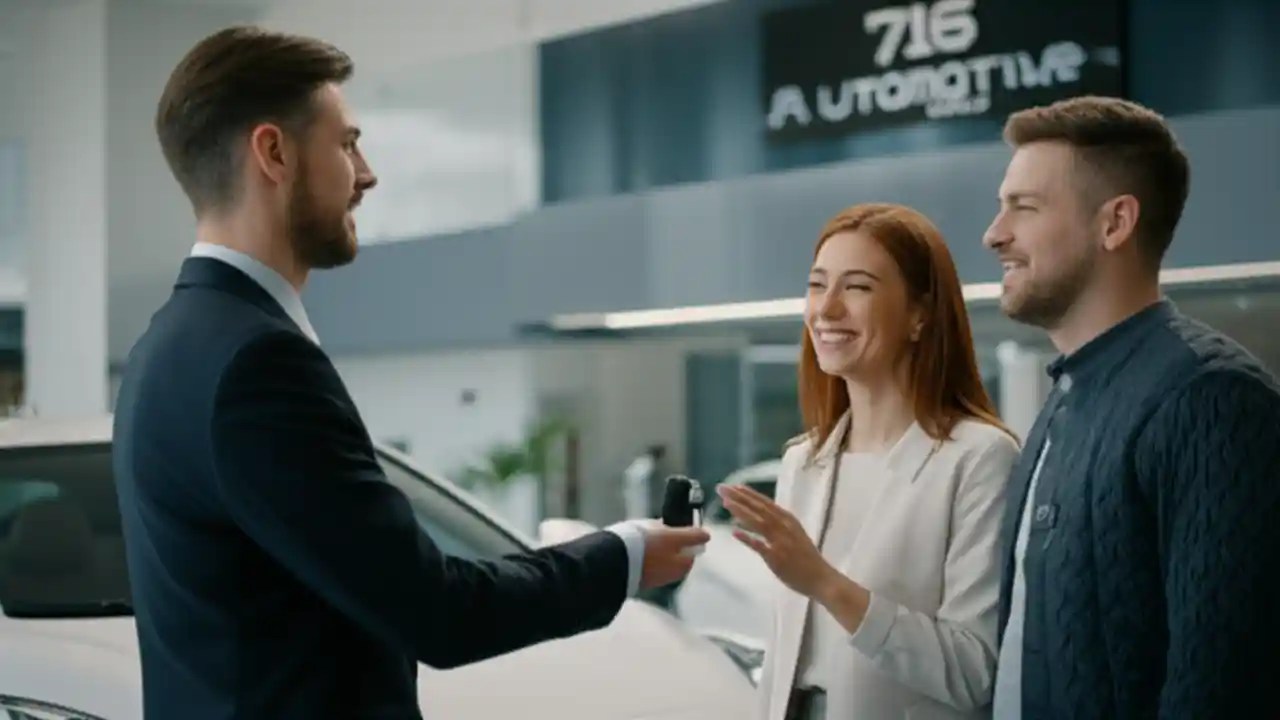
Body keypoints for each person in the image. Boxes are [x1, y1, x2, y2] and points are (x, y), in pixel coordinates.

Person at [111, 26, 709, 720]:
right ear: (273, 152)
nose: (366, 173)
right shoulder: (257, 364)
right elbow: (438, 610)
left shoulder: (166, 347)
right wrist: (628, 554)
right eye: (346, 143)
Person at [984, 95, 1280, 719]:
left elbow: (1220, 693)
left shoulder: (1211, 398)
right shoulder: (1062, 404)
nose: (994, 234)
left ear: (1114, 223)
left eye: (1024, 208)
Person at [720, 203, 1020, 720]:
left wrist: (826, 584)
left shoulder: (979, 459)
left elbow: (976, 671)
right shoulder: (803, 462)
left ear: (919, 315)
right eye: (818, 285)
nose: (826, 309)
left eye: (856, 287)